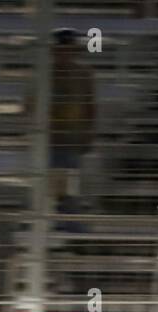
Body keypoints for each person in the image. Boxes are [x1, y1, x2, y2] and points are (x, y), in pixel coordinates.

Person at [48, 27, 97, 207]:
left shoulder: (84, 73)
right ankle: (63, 220)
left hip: (73, 137)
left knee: (69, 183)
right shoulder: (46, 73)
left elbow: (90, 104)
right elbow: (30, 105)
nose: (65, 54)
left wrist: (88, 133)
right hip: (50, 137)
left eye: (68, 49)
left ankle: (67, 220)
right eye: (61, 50)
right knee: (56, 185)